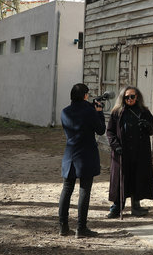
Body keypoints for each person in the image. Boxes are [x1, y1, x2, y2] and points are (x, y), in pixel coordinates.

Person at [58, 83, 106, 238]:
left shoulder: (65, 112)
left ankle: (63, 227)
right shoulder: (90, 111)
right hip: (86, 154)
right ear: (85, 95)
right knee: (84, 191)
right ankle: (81, 228)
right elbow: (100, 130)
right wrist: (99, 112)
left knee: (67, 190)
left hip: (70, 153)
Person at [106, 86, 153, 218]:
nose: (130, 99)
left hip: (139, 152)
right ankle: (117, 207)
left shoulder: (143, 111)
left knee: (137, 178)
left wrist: (147, 125)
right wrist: (115, 145)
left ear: (137, 97)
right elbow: (110, 131)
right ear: (123, 98)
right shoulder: (117, 112)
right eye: (127, 97)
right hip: (122, 152)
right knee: (120, 179)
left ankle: (136, 206)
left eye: (132, 96)